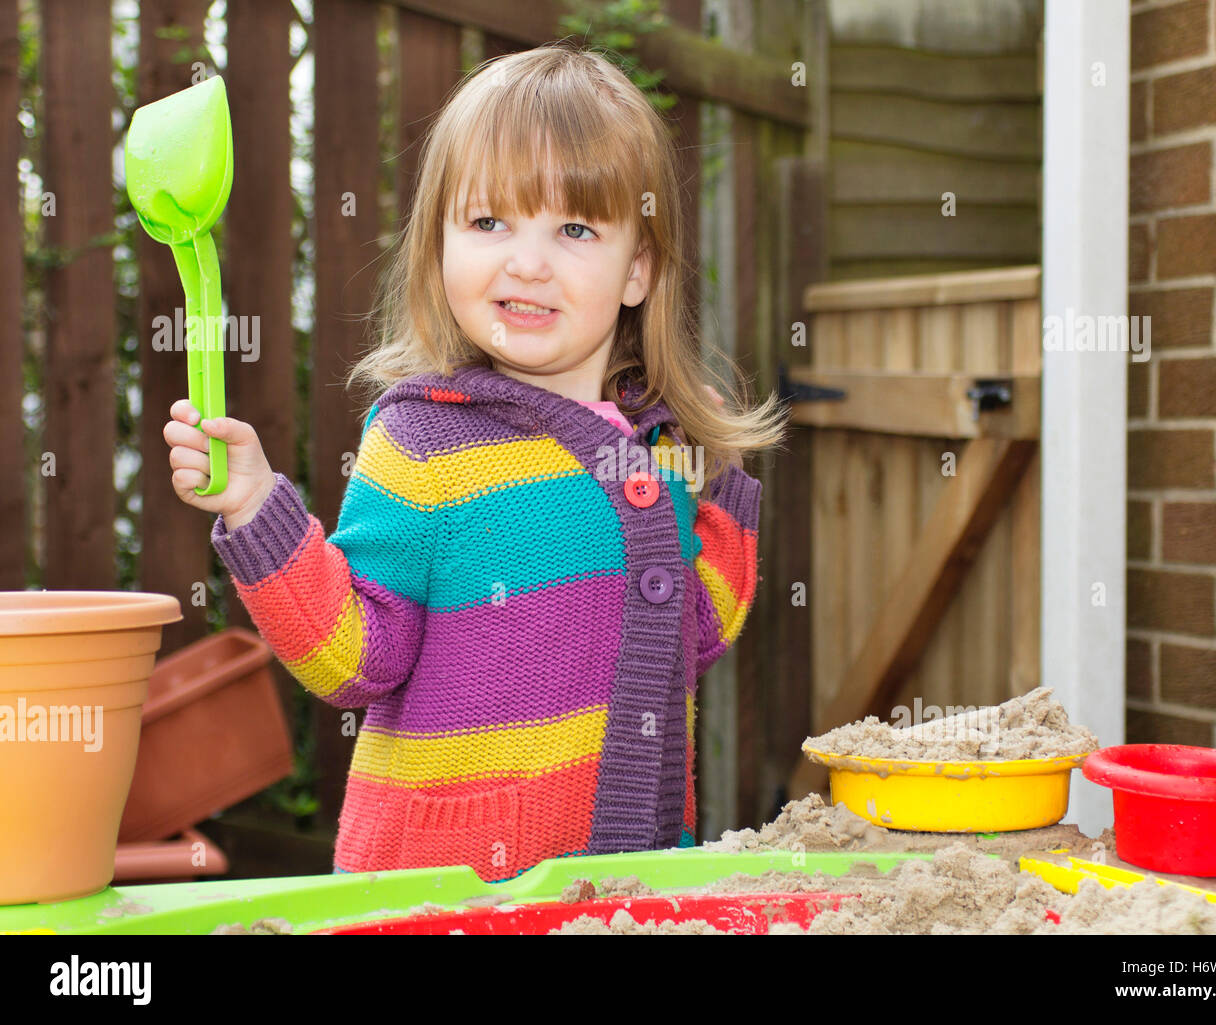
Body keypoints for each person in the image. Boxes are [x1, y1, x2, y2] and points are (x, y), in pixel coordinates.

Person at [163, 41, 788, 882]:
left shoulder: (660, 437)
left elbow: (691, 628)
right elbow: (353, 657)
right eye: (489, 222)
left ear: (637, 270)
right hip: (450, 883)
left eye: (573, 228)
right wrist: (253, 509)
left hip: (630, 881)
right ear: (440, 244)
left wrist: (725, 506)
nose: (525, 261)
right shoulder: (422, 443)